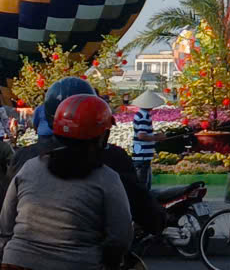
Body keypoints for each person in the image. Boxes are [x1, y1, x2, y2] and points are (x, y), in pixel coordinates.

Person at [1, 78, 164, 236]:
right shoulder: (110, 161)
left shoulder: (25, 158)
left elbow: (6, 218)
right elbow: (138, 218)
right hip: (86, 251)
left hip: (20, 247)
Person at [0, 94, 131, 270]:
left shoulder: (30, 167)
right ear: (103, 137)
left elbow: (6, 225)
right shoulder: (107, 178)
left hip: (16, 261)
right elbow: (120, 237)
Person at [131, 90, 166, 191]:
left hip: (139, 151)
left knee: (142, 180)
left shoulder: (140, 114)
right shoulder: (144, 116)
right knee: (143, 183)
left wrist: (155, 136)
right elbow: (142, 135)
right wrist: (157, 138)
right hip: (143, 153)